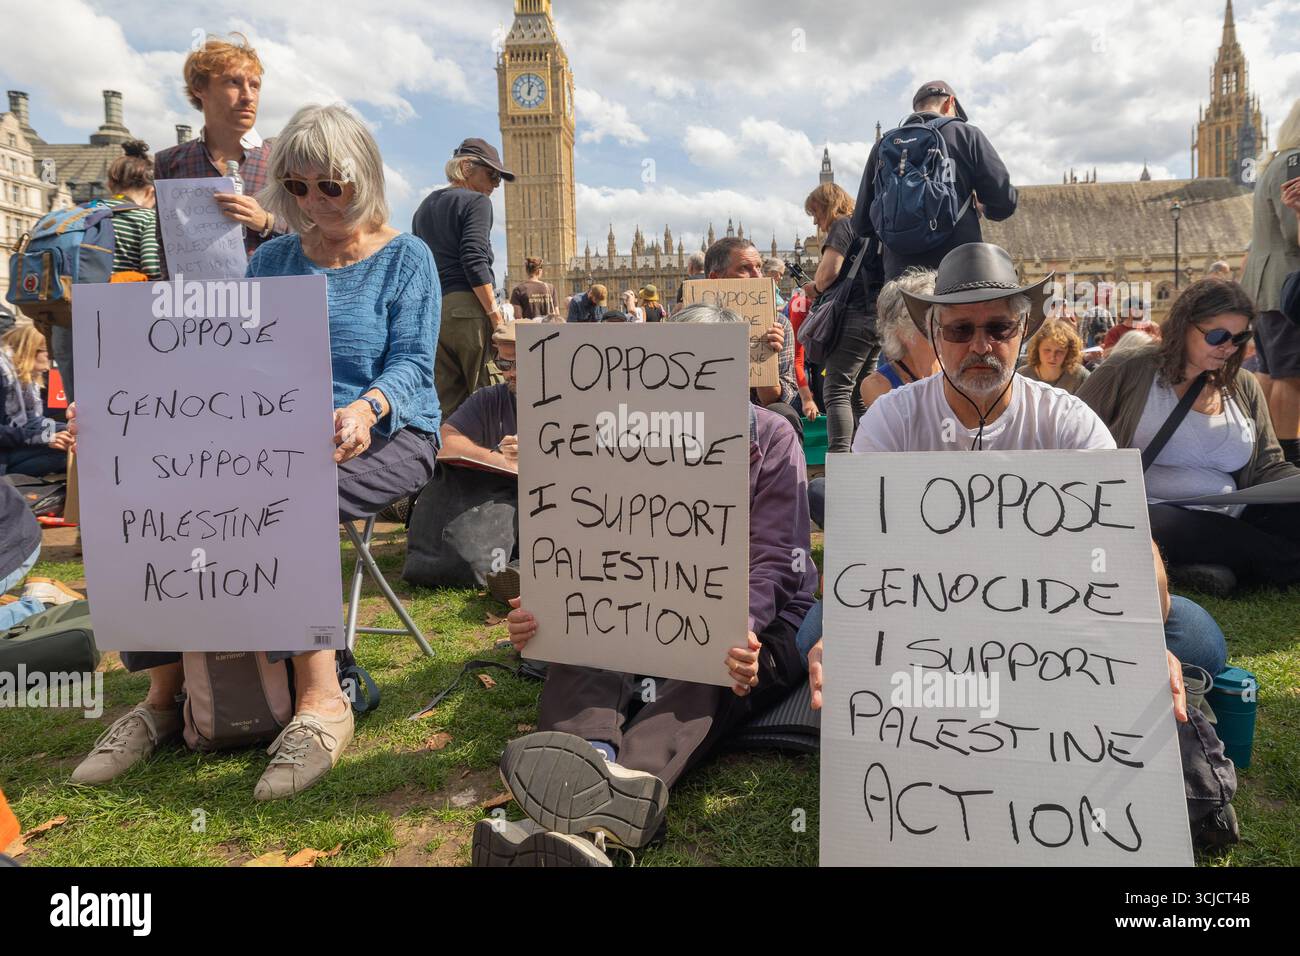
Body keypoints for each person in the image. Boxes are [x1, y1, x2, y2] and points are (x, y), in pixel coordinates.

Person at [801, 243, 1237, 845]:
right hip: (930, 626)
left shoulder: (1069, 421)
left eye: (999, 327)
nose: (981, 344)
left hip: (1049, 627)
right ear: (934, 331)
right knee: (815, 635)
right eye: (961, 330)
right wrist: (838, 639)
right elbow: (861, 564)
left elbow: (1126, 549)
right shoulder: (890, 421)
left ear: (1022, 329)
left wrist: (1138, 642)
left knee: (1194, 637)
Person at [70, 104, 442, 801]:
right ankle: (163, 698)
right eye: (296, 188)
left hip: (392, 432)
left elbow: (414, 367)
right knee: (160, 485)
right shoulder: (270, 259)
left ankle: (321, 698)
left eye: (329, 185)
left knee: (291, 498)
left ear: (364, 175)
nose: (312, 203)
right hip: (280, 438)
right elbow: (218, 359)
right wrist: (116, 406)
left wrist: (365, 408)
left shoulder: (406, 255)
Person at [478, 301, 817, 867]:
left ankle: (605, 803)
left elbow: (779, 560)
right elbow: (591, 548)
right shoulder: (627, 434)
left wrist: (742, 626)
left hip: (747, 616)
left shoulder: (773, 438)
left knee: (703, 661)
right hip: (648, 603)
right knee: (589, 638)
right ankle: (584, 760)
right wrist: (547, 608)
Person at [1078, 279, 1300, 594]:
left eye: (1240, 337)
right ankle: (1262, 564)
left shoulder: (1244, 384)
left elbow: (1268, 465)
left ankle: (1212, 568)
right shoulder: (1128, 369)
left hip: (1234, 510)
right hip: (1150, 510)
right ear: (1183, 326)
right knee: (1203, 530)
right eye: (1217, 336)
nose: (1229, 347)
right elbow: (1071, 429)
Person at [851, 81, 1018, 280]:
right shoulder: (965, 134)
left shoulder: (883, 146)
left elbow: (861, 224)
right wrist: (983, 207)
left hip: (902, 279)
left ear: (916, 108)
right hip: (960, 273)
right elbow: (1004, 203)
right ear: (950, 104)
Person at [154, 33, 284, 270]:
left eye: (254, 85)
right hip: (197, 300)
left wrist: (266, 221)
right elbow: (165, 245)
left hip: (270, 297)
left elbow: (317, 230)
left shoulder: (281, 159)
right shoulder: (169, 162)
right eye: (233, 82)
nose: (248, 96)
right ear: (199, 89)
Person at [412, 137, 513, 416]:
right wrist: (495, 317)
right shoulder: (477, 202)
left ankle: (448, 461)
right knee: (489, 399)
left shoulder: (425, 207)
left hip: (435, 314)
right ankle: (489, 459)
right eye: (492, 174)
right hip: (469, 309)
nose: (496, 184)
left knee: (447, 405)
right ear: (467, 168)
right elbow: (473, 258)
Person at [1240, 98, 1300, 464]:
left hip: (1264, 288)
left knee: (1268, 372)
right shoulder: (1296, 163)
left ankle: (1258, 454)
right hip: (1287, 287)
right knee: (1292, 377)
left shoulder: (1278, 161)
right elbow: (1295, 234)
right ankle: (1285, 462)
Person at [804, 183, 883, 452]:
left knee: (837, 390)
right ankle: (865, 452)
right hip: (876, 318)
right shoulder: (870, 227)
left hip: (851, 317)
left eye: (816, 213)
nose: (816, 221)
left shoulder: (842, 225)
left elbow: (828, 273)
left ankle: (839, 457)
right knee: (861, 392)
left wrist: (814, 288)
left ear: (828, 206)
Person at [706, 237, 801, 439]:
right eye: (745, 268)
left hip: (756, 417)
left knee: (785, 415)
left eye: (759, 267)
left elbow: (773, 402)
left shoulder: (779, 325)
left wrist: (765, 359)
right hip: (705, 413)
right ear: (716, 279)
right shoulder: (688, 323)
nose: (758, 276)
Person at [440, 321, 519, 474]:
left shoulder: (566, 398)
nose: (511, 373)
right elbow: (445, 440)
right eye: (503, 364)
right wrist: (502, 461)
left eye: (521, 363)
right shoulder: (488, 399)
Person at [858, 268, 940, 410]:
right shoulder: (877, 386)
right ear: (902, 332)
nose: (943, 331)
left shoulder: (953, 370)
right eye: (932, 323)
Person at [1, 326, 71, 477]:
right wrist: (45, 438)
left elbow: (31, 420)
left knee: (71, 444)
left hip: (10, 447)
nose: (49, 366)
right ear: (31, 349)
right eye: (48, 356)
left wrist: (65, 429)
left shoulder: (24, 379)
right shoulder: (4, 376)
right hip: (4, 452)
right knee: (66, 454)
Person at [103, 140, 163, 280]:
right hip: (114, 298)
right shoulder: (148, 218)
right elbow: (151, 267)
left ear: (110, 185)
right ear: (151, 192)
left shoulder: (86, 211)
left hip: (68, 297)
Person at [1018, 317, 1090, 394]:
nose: (1052, 357)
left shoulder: (1079, 376)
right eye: (1047, 350)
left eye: (1059, 351)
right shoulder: (1022, 376)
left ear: (1068, 352)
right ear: (1037, 349)